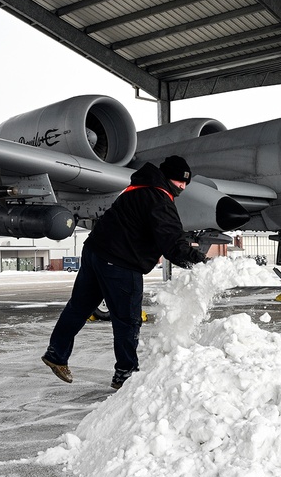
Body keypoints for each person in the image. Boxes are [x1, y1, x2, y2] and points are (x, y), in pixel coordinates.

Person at [41, 155, 208, 390]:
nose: (182, 186)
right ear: (168, 177)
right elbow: (172, 242)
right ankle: (125, 373)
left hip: (95, 252)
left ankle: (56, 354)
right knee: (127, 320)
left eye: (186, 183)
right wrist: (200, 261)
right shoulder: (158, 197)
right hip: (121, 262)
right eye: (180, 181)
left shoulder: (135, 188)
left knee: (79, 307)